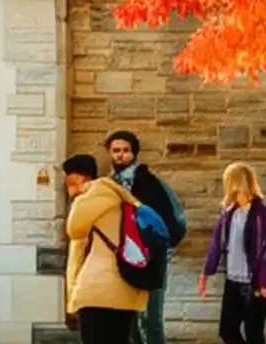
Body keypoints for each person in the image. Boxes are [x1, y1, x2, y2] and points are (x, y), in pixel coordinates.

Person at [106, 130, 186, 344]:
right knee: (128, 320)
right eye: (115, 151)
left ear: (134, 153)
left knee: (152, 320)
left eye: (125, 150)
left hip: (151, 259)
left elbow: (176, 221)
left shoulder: (151, 183)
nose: (120, 155)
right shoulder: (107, 186)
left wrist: (162, 253)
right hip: (121, 260)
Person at [199, 162, 266, 344]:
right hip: (232, 280)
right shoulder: (229, 212)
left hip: (253, 282)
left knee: (254, 334)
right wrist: (206, 272)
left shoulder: (263, 213)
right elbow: (217, 243)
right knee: (227, 330)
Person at [63, 153, 148, 344]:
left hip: (96, 291)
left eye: (70, 183)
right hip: (126, 288)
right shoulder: (120, 198)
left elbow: (73, 232)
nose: (69, 191)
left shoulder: (89, 201)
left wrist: (72, 301)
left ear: (81, 179)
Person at [60, 154, 97, 334]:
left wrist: (72, 301)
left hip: (90, 288)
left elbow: (77, 258)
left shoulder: (86, 207)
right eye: (69, 185)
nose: (71, 191)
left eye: (74, 183)